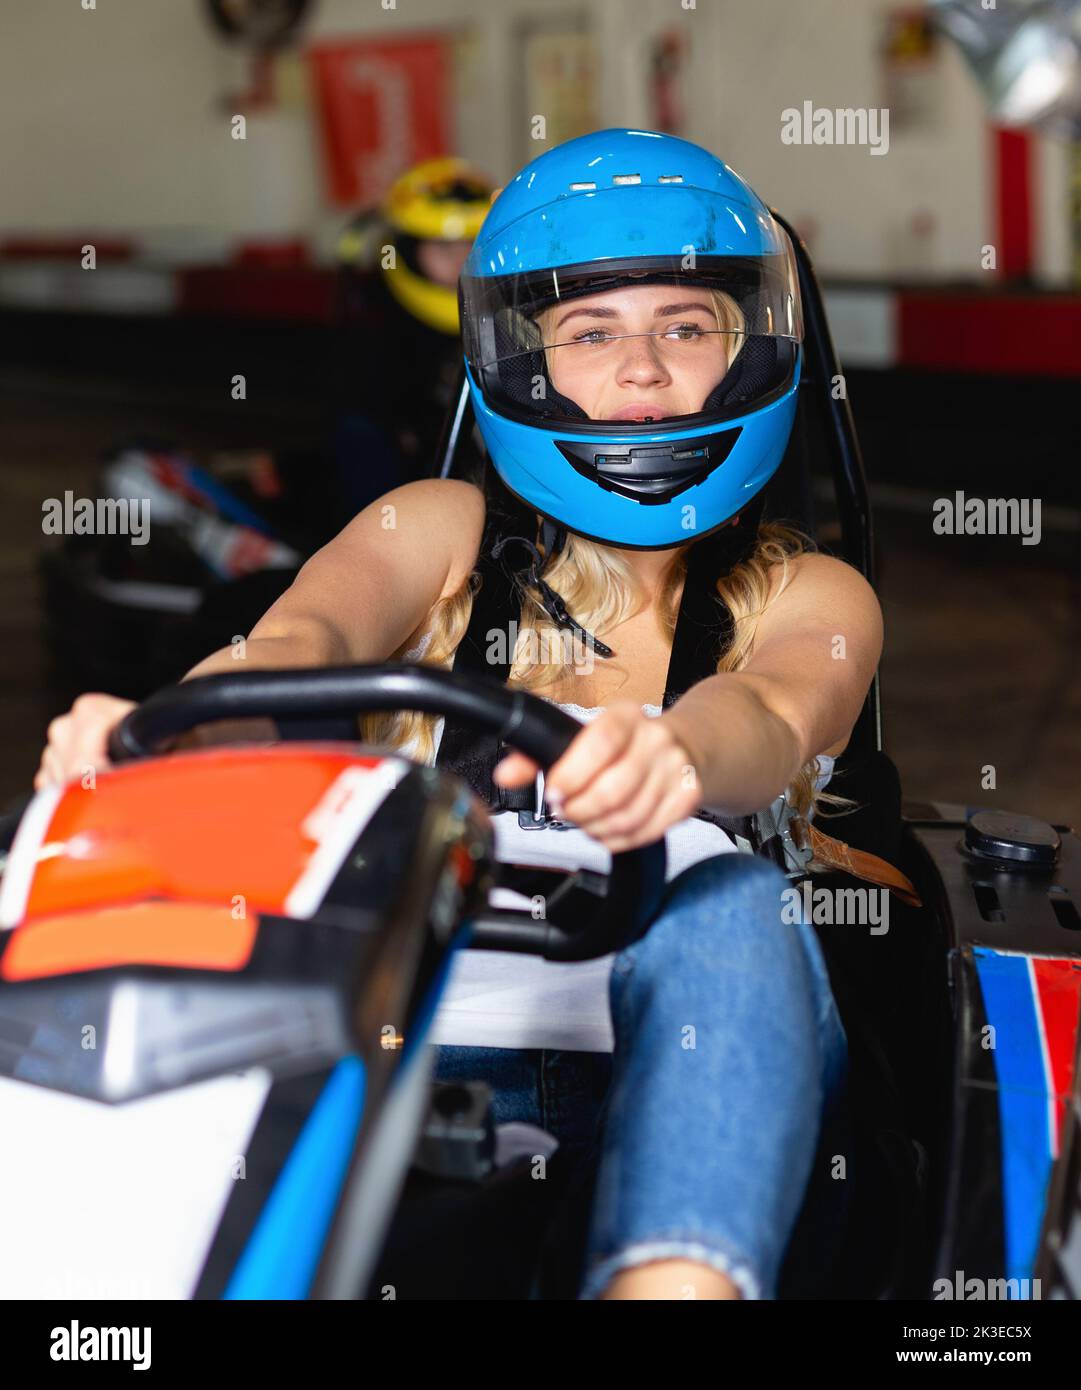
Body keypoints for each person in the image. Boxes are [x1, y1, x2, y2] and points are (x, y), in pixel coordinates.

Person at [38, 130, 884, 1300]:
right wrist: (165, 738)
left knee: (727, 896)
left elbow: (774, 715)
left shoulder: (810, 594)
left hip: (687, 1057)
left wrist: (678, 753)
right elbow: (294, 646)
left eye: (686, 327)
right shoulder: (435, 528)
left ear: (752, 347)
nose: (641, 372)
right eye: (590, 333)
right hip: (400, 1039)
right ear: (520, 362)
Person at [333, 157, 493, 510]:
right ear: (408, 252)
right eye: (444, 249)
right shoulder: (374, 330)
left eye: (473, 245)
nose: (461, 262)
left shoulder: (510, 318)